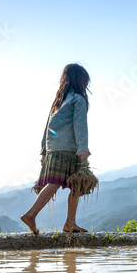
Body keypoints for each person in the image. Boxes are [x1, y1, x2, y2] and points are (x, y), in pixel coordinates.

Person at [21, 63, 92, 235]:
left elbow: (47, 127)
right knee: (62, 183)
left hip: (53, 148)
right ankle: (31, 214)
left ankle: (70, 223)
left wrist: (44, 150)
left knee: (71, 184)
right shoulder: (78, 99)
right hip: (69, 148)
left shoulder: (59, 101)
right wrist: (83, 148)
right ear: (81, 80)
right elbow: (80, 125)